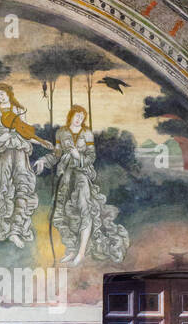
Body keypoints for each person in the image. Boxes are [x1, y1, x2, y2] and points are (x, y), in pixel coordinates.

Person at [37, 105, 129, 265]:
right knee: (64, 214)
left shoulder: (86, 133)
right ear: (71, 116)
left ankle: (81, 252)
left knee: (84, 210)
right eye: (77, 115)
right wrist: (43, 160)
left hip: (81, 175)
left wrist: (77, 155)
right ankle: (72, 249)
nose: (79, 119)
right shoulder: (61, 132)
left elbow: (91, 156)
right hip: (65, 177)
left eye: (82, 116)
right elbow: (57, 154)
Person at [0, 84, 53, 250]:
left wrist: (43, 143)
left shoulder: (19, 109)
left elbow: (26, 133)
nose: (0, 96)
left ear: (8, 93)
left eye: (2, 93)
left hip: (21, 153)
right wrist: (1, 139)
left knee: (22, 191)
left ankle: (15, 231)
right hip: (5, 152)